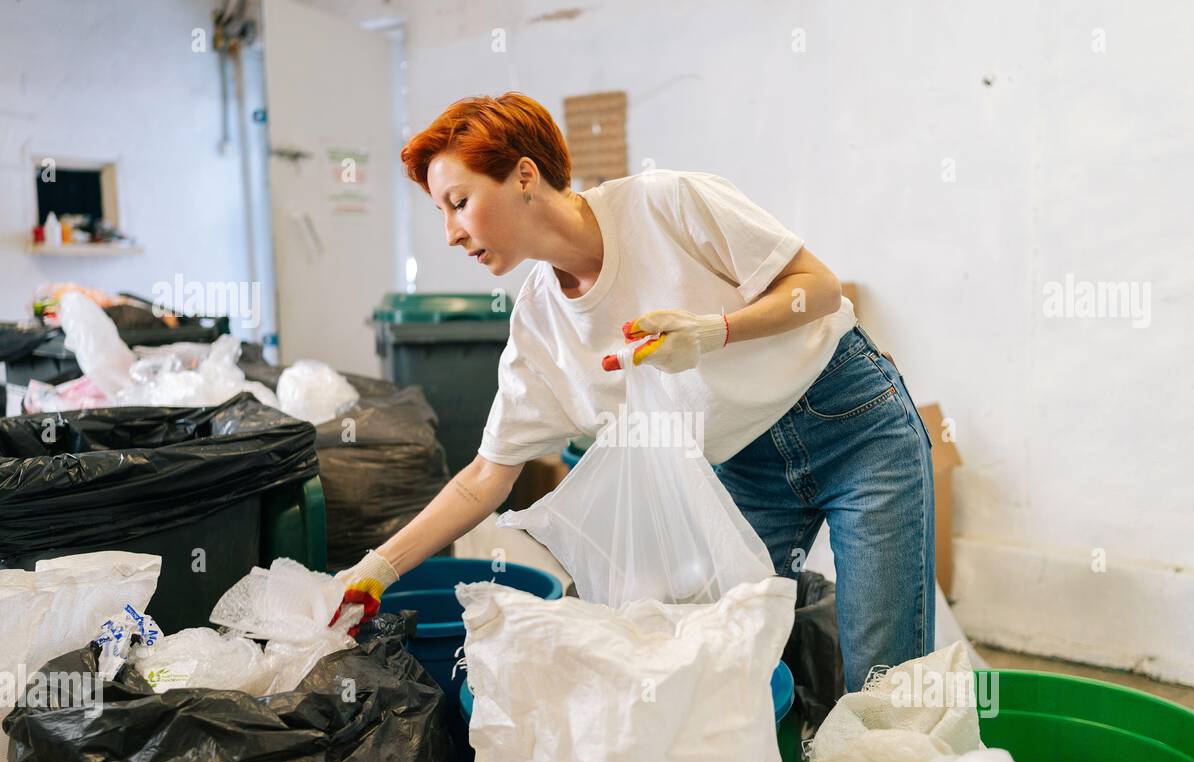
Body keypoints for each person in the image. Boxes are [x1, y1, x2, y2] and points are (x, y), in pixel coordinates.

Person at [335, 92, 935, 693]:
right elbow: (485, 476)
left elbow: (819, 289)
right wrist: (376, 569)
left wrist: (714, 332)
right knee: (706, 666)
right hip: (745, 470)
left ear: (523, 175)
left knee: (883, 685)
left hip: (850, 424)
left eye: (458, 203)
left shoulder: (665, 202)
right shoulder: (540, 323)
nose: (450, 234)